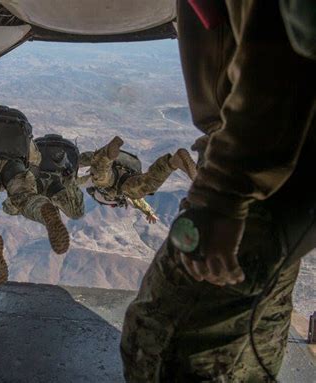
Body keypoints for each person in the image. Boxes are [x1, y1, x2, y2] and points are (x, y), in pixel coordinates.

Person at [121, 1, 315, 381]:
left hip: (263, 175)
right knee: (248, 349)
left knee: (159, 347)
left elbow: (288, 49)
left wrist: (223, 195)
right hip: (276, 174)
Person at [0, 105, 70, 285]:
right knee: (25, 198)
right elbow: (34, 160)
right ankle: (44, 209)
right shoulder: (18, 124)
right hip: (14, 165)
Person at [79, 136, 196, 223]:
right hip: (125, 179)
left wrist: (73, 170)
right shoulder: (125, 196)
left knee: (100, 178)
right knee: (145, 185)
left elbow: (80, 181)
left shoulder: (99, 189)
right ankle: (173, 162)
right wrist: (149, 212)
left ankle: (107, 155)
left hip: (114, 176)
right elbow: (139, 201)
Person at [3, 133, 84, 221]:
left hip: (44, 178)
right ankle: (65, 167)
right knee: (76, 213)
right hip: (50, 179)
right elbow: (8, 207)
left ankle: (65, 167)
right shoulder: (55, 198)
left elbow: (9, 207)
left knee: (76, 213)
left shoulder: (46, 198)